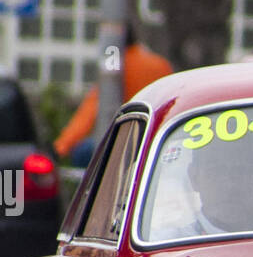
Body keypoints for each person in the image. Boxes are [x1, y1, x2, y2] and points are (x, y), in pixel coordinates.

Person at [54, 23, 173, 166]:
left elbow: (90, 111)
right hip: (158, 135)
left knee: (84, 152)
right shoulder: (159, 64)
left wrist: (61, 147)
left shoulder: (116, 66)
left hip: (128, 135)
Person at [163, 129, 253, 239]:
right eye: (216, 170)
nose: (230, 185)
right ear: (194, 177)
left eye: (244, 170)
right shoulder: (164, 248)